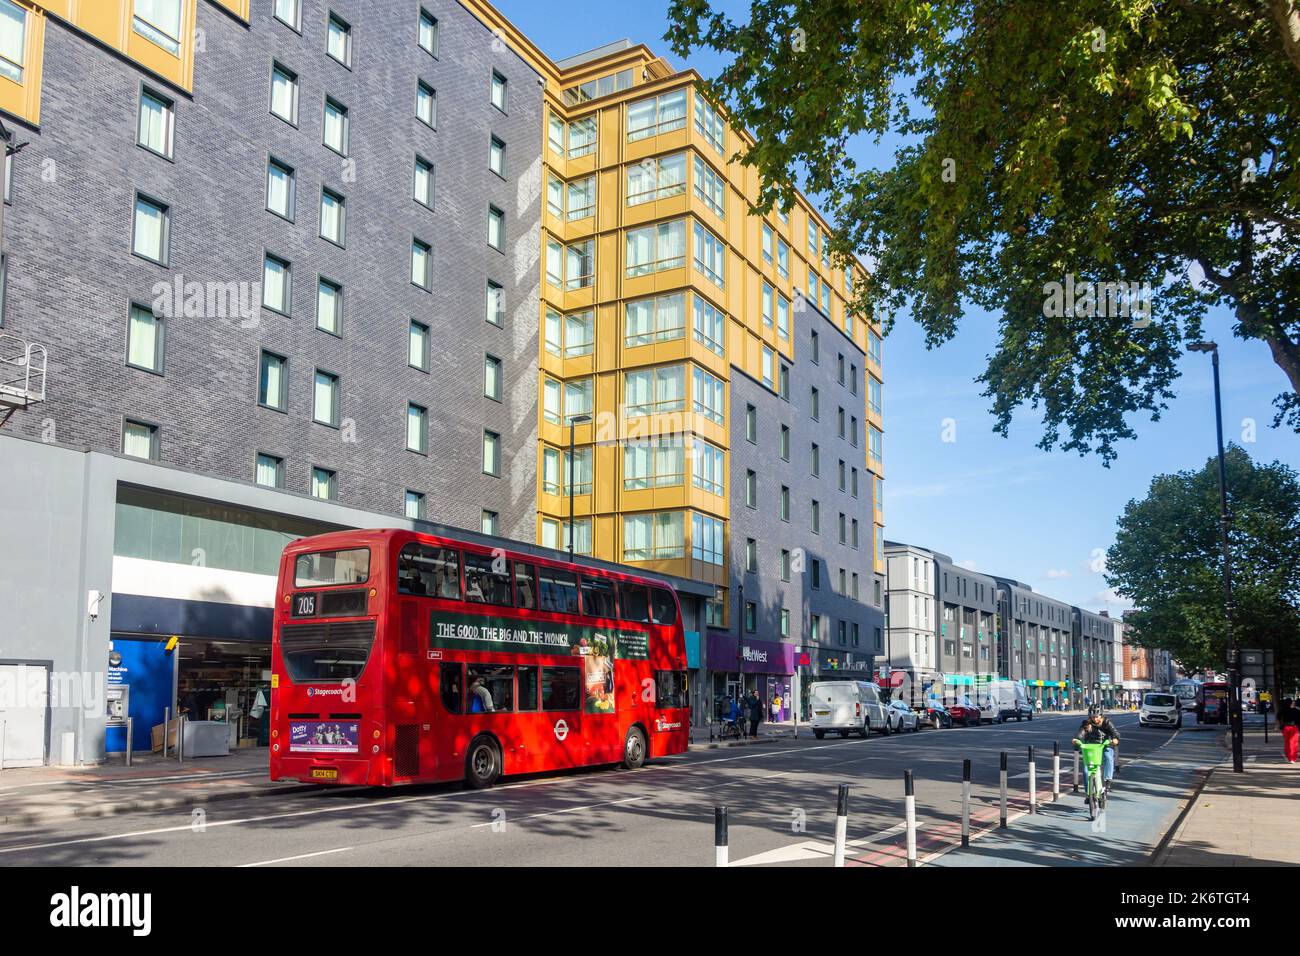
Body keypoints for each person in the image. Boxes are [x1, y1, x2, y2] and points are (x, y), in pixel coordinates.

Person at [1072, 706, 1121, 792]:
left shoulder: (1106, 722)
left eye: (1097, 716)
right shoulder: (1086, 724)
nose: (1095, 719)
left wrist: (1115, 739)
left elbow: (1115, 733)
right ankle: (1088, 792)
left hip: (1104, 745)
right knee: (1086, 770)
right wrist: (1076, 739)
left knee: (1108, 757)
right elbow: (1080, 733)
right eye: (1092, 717)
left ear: (1101, 715)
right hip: (1090, 747)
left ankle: (1107, 780)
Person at [1278, 698, 1299, 764]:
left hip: (1286, 728)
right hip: (1293, 727)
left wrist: (1279, 725)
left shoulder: (1283, 710)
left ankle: (1289, 756)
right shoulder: (1295, 710)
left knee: (1287, 742)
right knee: (1293, 743)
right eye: (1292, 702)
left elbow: (1278, 717)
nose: (1293, 702)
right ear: (1291, 703)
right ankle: (1292, 758)